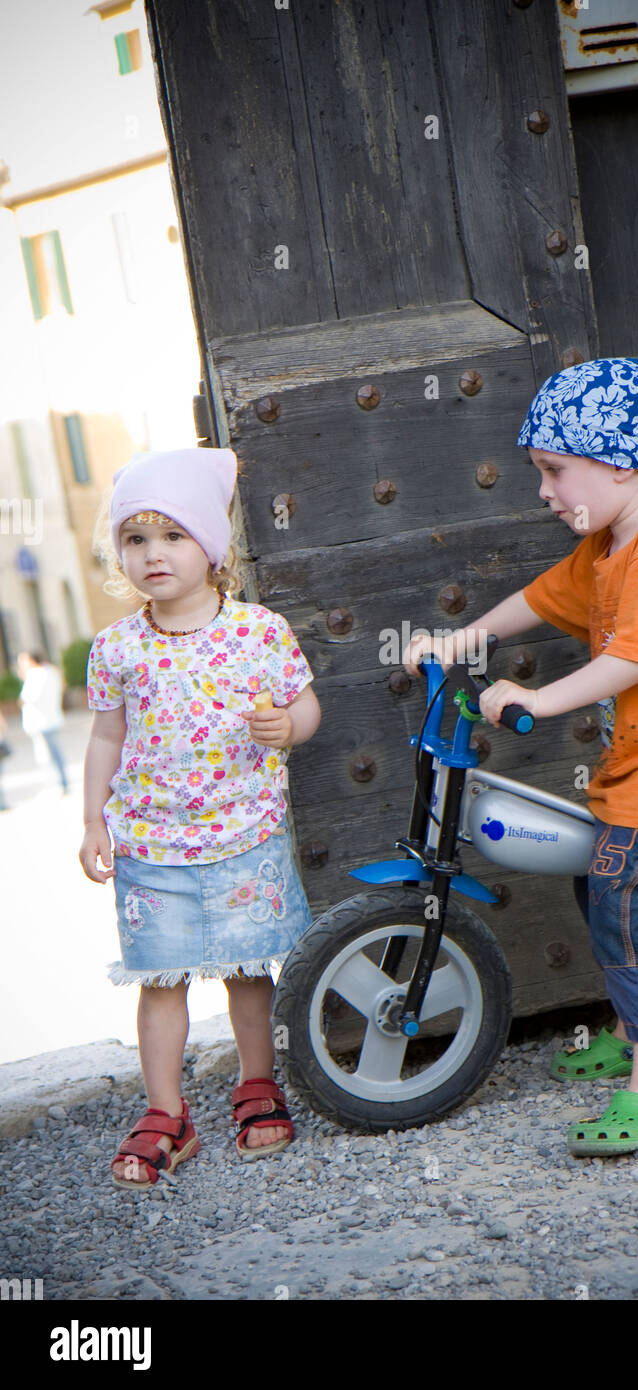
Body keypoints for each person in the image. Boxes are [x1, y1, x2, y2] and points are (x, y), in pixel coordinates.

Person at [405, 357, 638, 1157]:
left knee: (625, 887)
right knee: (593, 869)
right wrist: (462, 641)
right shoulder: (613, 540)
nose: (543, 492)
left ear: (619, 460)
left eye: (554, 471)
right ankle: (636, 1023)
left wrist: (539, 699)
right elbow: (540, 599)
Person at [80, 447, 321, 1188]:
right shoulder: (117, 647)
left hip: (243, 834)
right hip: (152, 843)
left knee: (249, 972)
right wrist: (94, 820)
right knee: (161, 979)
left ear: (210, 549)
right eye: (136, 538)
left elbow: (304, 704)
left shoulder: (257, 631)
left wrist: (289, 725)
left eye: (173, 534)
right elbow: (107, 737)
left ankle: (257, 1082)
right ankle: (167, 1113)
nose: (154, 554)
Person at [17, 650, 69, 794]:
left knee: (46, 756)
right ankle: (63, 782)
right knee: (55, 752)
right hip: (52, 718)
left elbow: (27, 698)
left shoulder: (35, 675)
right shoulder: (52, 671)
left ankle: (57, 784)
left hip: (40, 721)